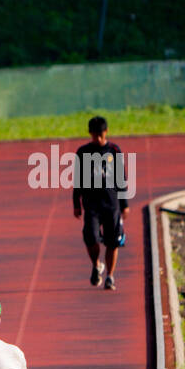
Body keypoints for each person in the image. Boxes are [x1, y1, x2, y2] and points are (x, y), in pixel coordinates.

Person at [73, 116, 129, 289]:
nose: (97, 138)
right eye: (94, 134)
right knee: (90, 237)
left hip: (111, 204)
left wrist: (124, 204)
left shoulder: (114, 150)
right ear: (90, 133)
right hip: (92, 204)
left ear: (106, 132)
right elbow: (78, 180)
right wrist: (76, 203)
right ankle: (97, 264)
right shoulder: (82, 152)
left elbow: (122, 178)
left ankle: (110, 277)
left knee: (112, 242)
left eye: (100, 134)